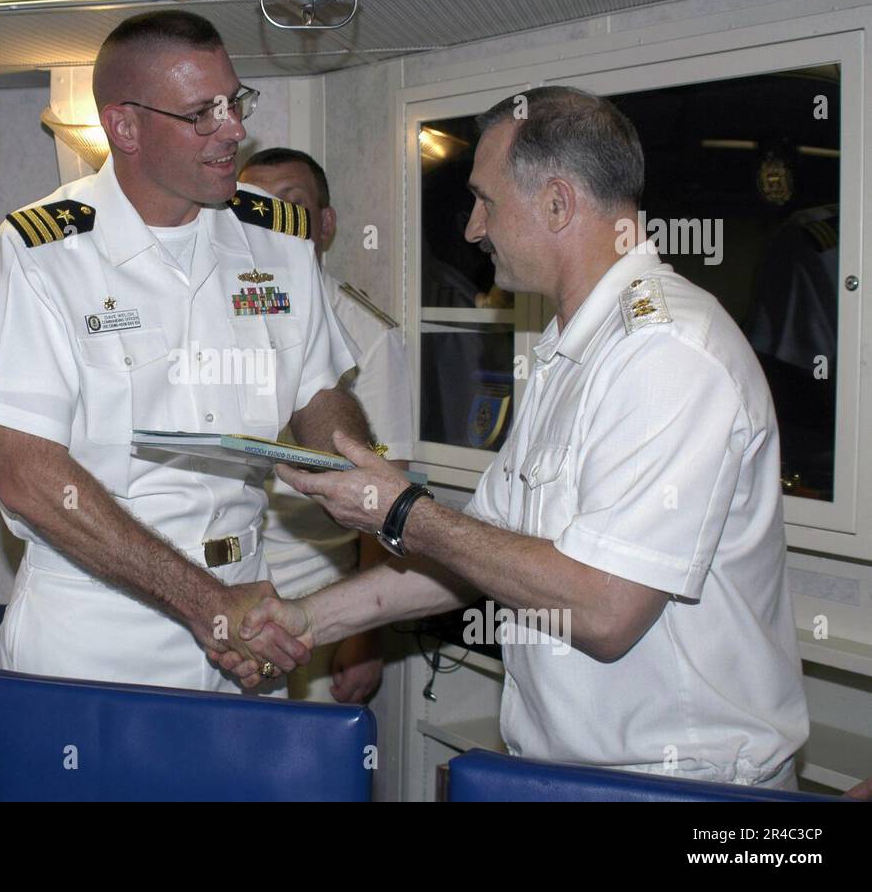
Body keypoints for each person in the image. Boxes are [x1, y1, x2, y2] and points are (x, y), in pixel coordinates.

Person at [222, 86, 810, 788]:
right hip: (566, 774)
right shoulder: (572, 347)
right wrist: (303, 620)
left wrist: (401, 510)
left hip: (678, 783)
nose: (472, 228)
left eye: (486, 201)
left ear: (558, 204)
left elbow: (604, 608)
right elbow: (477, 552)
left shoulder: (668, 351)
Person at [0, 11, 367, 692]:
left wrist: (360, 479)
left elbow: (318, 392)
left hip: (248, 606)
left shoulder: (277, 236)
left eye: (235, 103)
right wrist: (205, 604)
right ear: (125, 127)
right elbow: (30, 476)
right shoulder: (42, 252)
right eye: (202, 113)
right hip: (100, 627)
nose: (233, 130)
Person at [240, 147, 414, 703]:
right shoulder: (220, 317)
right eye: (253, 208)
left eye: (289, 206)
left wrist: (363, 639)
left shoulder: (369, 336)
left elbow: (385, 495)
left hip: (318, 587)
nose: (270, 222)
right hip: (229, 580)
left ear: (326, 223)